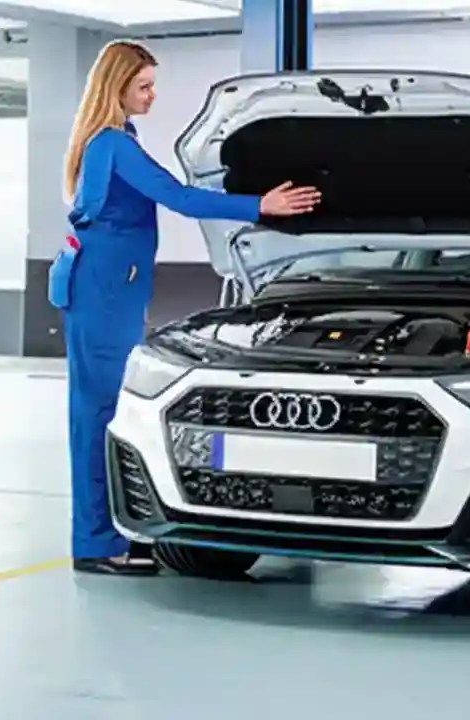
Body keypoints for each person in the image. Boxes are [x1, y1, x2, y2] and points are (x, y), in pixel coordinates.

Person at [52, 40, 322, 576]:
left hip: (108, 287)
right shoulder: (111, 144)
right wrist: (258, 206)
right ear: (116, 88)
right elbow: (177, 197)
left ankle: (109, 533)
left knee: (104, 411)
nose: (152, 96)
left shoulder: (116, 139)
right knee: (97, 414)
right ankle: (94, 544)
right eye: (143, 86)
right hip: (101, 292)